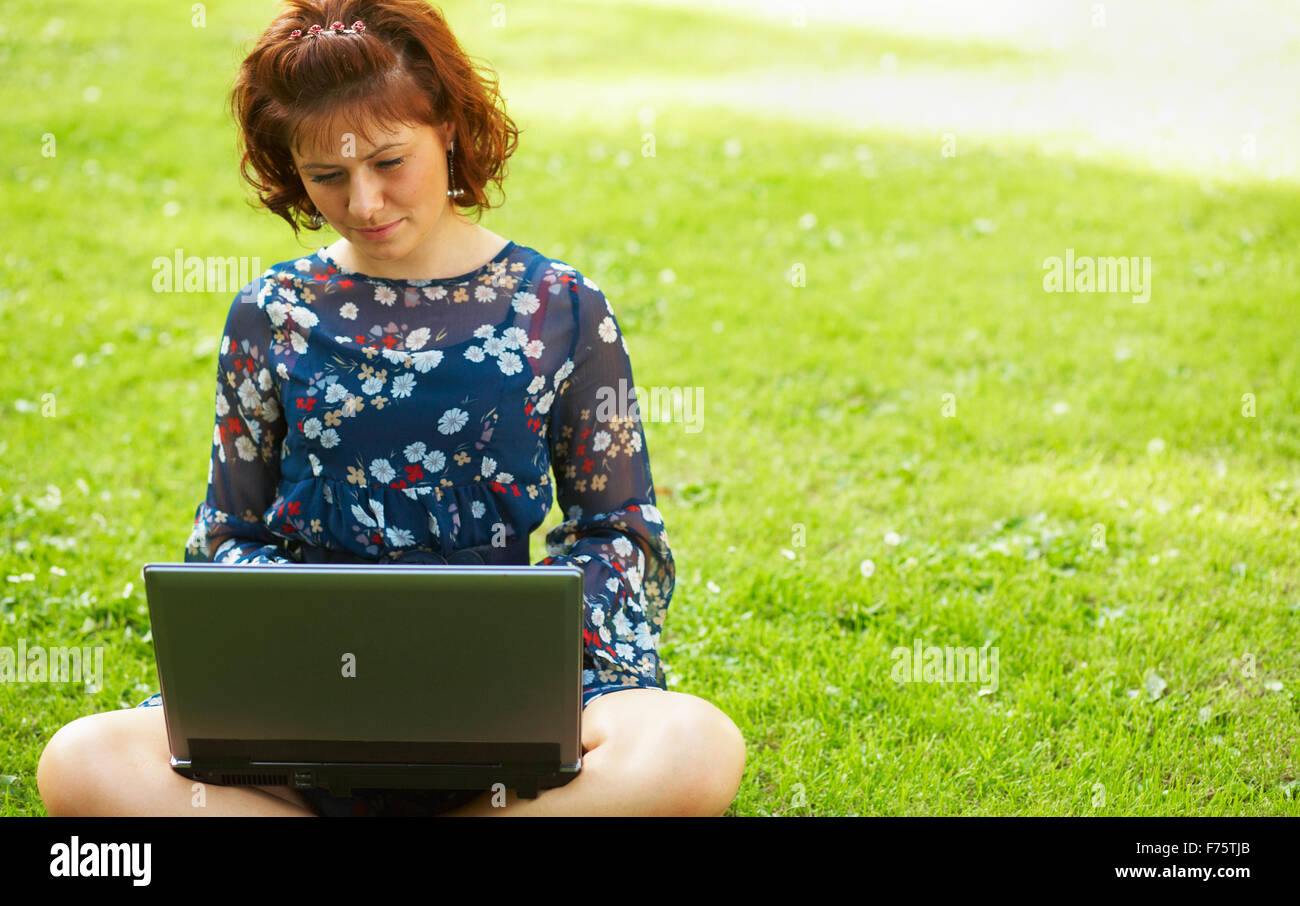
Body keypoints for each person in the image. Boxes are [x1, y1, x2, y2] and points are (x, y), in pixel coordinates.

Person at [36, 0, 745, 817]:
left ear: (448, 127)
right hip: (307, 701)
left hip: (501, 702)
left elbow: (619, 531)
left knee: (692, 747)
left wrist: (507, 640)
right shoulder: (271, 312)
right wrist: (319, 632)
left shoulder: (561, 305)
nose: (364, 203)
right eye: (326, 176)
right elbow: (229, 536)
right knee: (81, 761)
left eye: (388, 161)